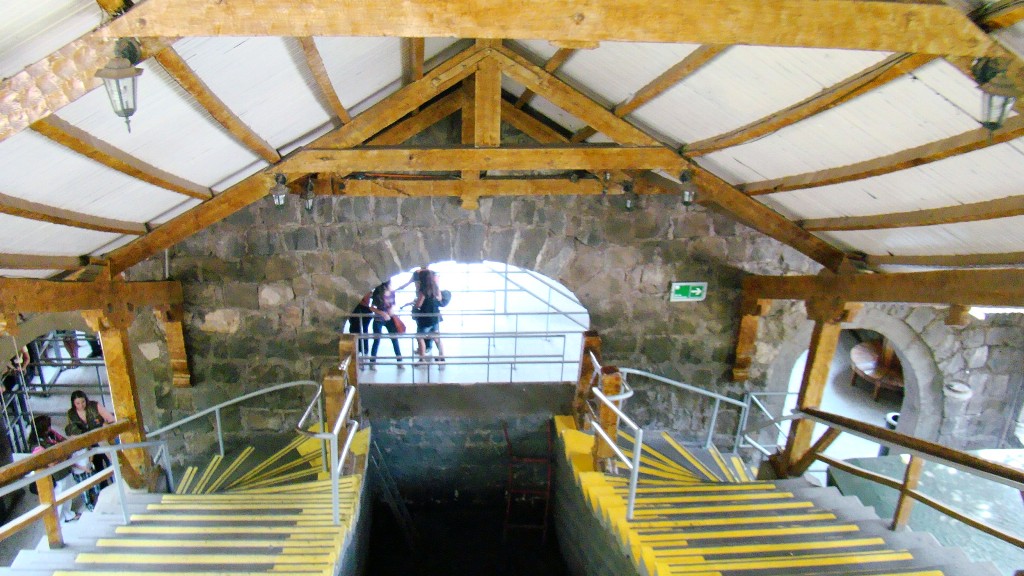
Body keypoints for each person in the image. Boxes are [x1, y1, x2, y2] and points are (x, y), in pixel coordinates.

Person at [28, 415, 89, 521]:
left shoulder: (50, 434)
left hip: (64, 469)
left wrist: (64, 454)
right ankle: (59, 520)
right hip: (55, 475)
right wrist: (65, 455)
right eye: (48, 426)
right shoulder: (36, 445)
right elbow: (50, 463)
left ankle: (68, 514)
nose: (50, 428)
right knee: (58, 496)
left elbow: (64, 442)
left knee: (67, 493)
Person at [65, 390, 114, 483]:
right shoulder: (71, 413)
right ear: (73, 403)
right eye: (78, 403)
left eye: (83, 402)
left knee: (111, 462)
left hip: (102, 439)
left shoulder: (94, 405)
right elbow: (71, 429)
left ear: (86, 400)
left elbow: (110, 419)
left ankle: (116, 480)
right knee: (97, 469)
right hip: (88, 445)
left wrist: (105, 426)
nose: (81, 405)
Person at [367, 280, 404, 369]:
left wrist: (391, 311)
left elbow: (393, 305)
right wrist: (382, 313)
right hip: (379, 319)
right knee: (377, 340)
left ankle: (400, 361)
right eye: (390, 284)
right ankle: (372, 362)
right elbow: (372, 307)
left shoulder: (392, 293)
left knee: (394, 339)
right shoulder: (378, 294)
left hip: (389, 319)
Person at [412, 271, 446, 369]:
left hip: (425, 318)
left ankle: (422, 359)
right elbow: (439, 298)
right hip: (435, 317)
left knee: (419, 337)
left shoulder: (423, 290)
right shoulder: (435, 287)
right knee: (436, 337)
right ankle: (442, 357)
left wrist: (415, 304)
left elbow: (419, 304)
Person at [347, 291, 374, 356]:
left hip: (362, 310)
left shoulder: (364, 292)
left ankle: (361, 349)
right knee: (359, 330)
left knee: (360, 329)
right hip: (360, 310)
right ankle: (361, 349)